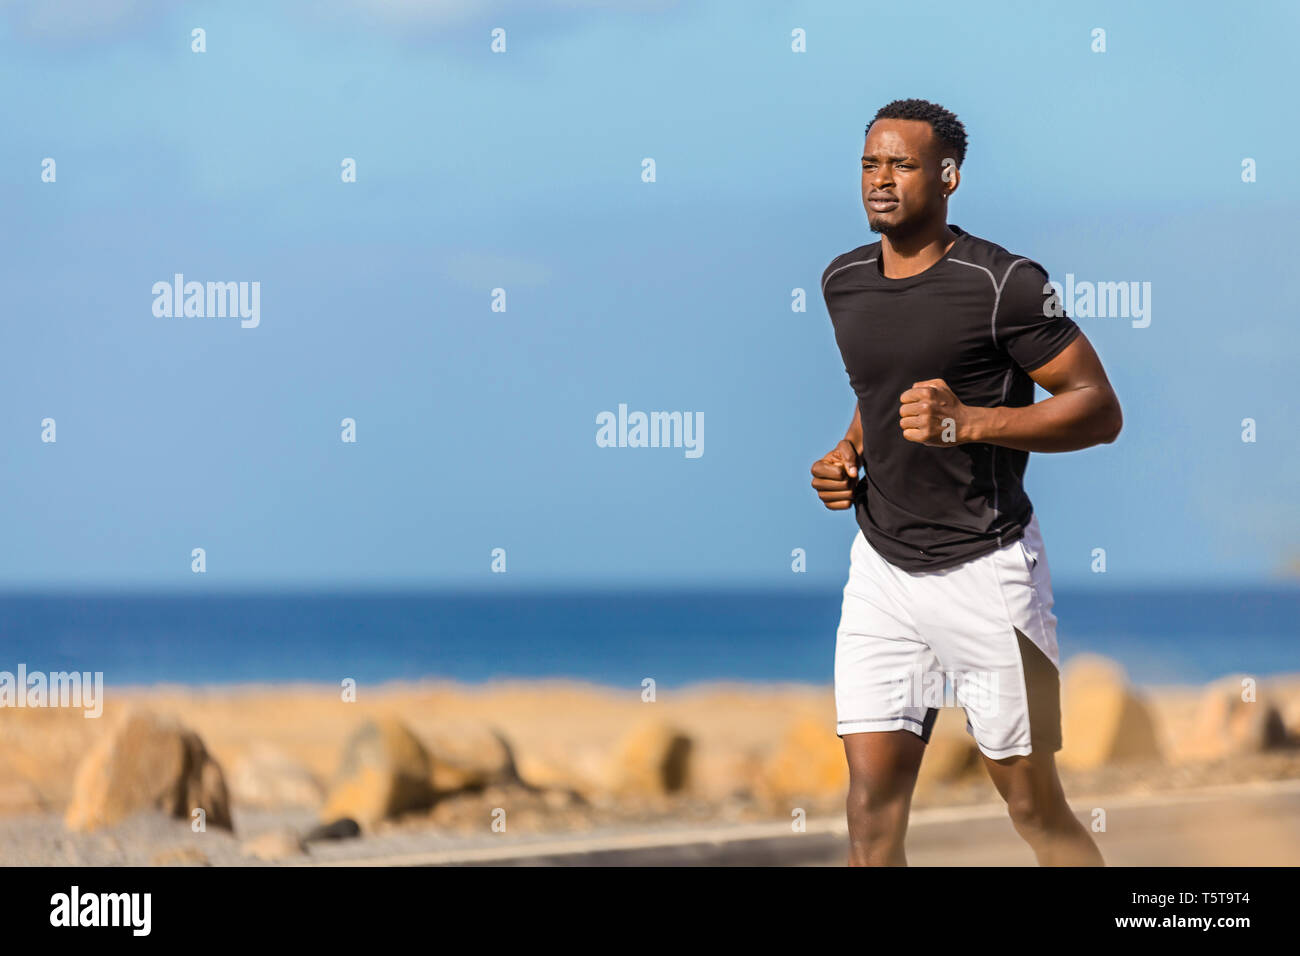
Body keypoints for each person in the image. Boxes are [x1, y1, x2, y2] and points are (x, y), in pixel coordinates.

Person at [813, 98, 1121, 866]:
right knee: (869, 810)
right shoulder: (843, 280)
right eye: (869, 164)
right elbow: (878, 391)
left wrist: (973, 423)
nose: (880, 180)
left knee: (1031, 805)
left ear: (948, 177)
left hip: (990, 572)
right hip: (881, 568)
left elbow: (1098, 409)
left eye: (902, 165)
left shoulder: (1007, 283)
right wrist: (847, 452)